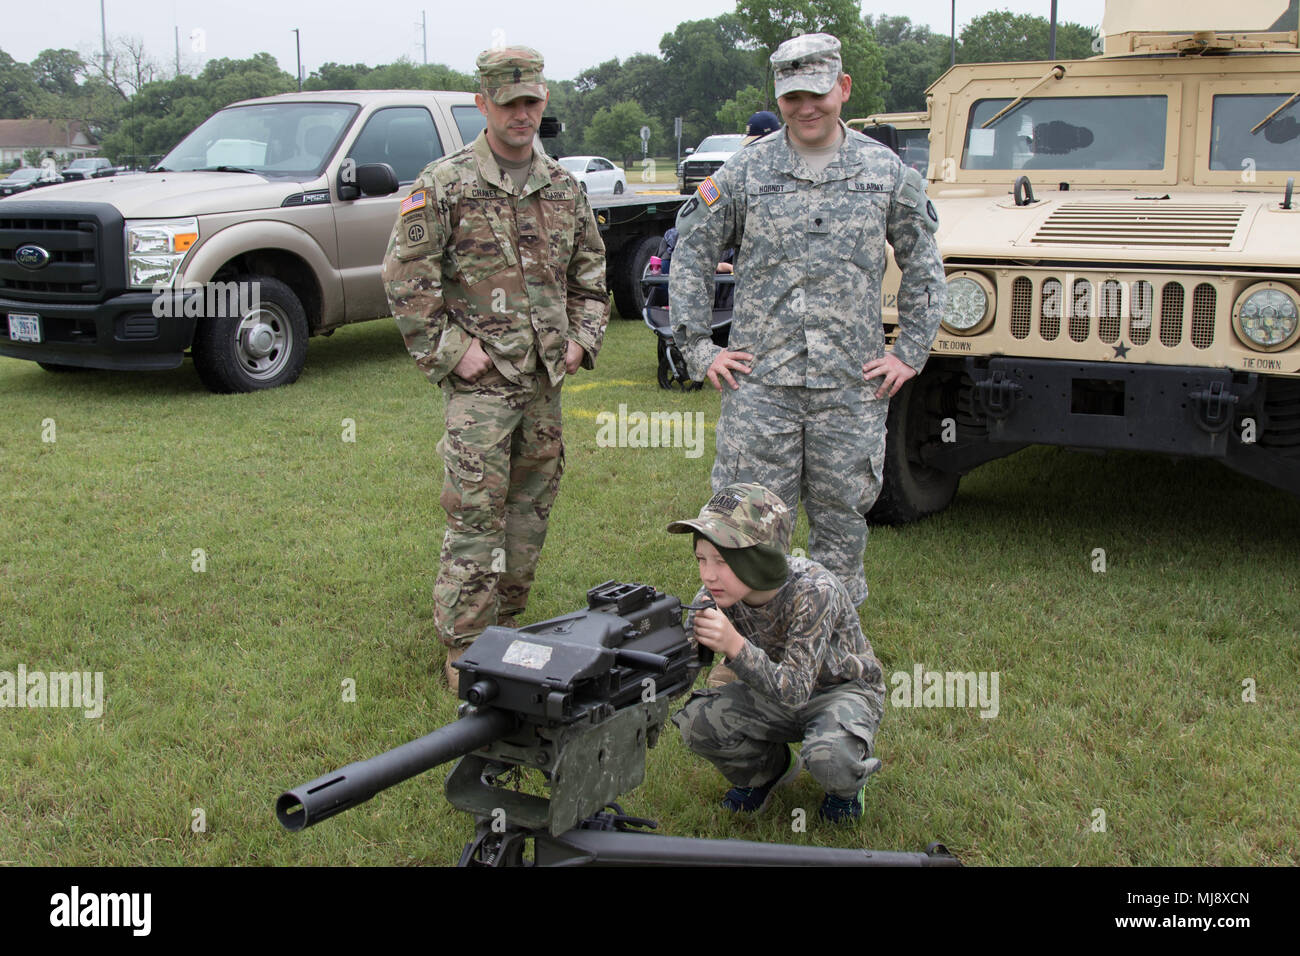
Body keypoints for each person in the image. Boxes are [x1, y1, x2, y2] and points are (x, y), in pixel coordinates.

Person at [668, 33, 946, 610]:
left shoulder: (884, 171)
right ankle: (742, 649)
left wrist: (909, 351)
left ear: (842, 89)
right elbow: (692, 248)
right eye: (792, 97)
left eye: (817, 93)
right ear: (780, 97)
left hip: (850, 386)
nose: (806, 108)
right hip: (761, 386)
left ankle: (832, 653)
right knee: (744, 526)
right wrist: (699, 347)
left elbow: (924, 260)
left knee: (842, 527)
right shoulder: (747, 171)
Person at [382, 46, 609, 691]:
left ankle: (505, 627)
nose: (522, 114)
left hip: (543, 385)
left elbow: (590, 279)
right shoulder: (446, 183)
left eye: (532, 101)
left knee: (530, 515)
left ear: (544, 101)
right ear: (483, 104)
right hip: (481, 390)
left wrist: (581, 340)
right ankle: (463, 652)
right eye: (509, 103)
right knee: (476, 517)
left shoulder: (562, 188)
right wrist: (455, 351)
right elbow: (405, 280)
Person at [668, 482, 886, 824]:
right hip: (770, 690)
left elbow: (796, 690)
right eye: (701, 559)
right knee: (699, 722)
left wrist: (735, 647)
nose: (708, 574)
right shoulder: (712, 597)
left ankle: (844, 789)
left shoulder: (814, 592)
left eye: (722, 561)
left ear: (759, 560)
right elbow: (679, 674)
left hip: (839, 690)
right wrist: (641, 658)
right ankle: (769, 772)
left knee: (830, 757)